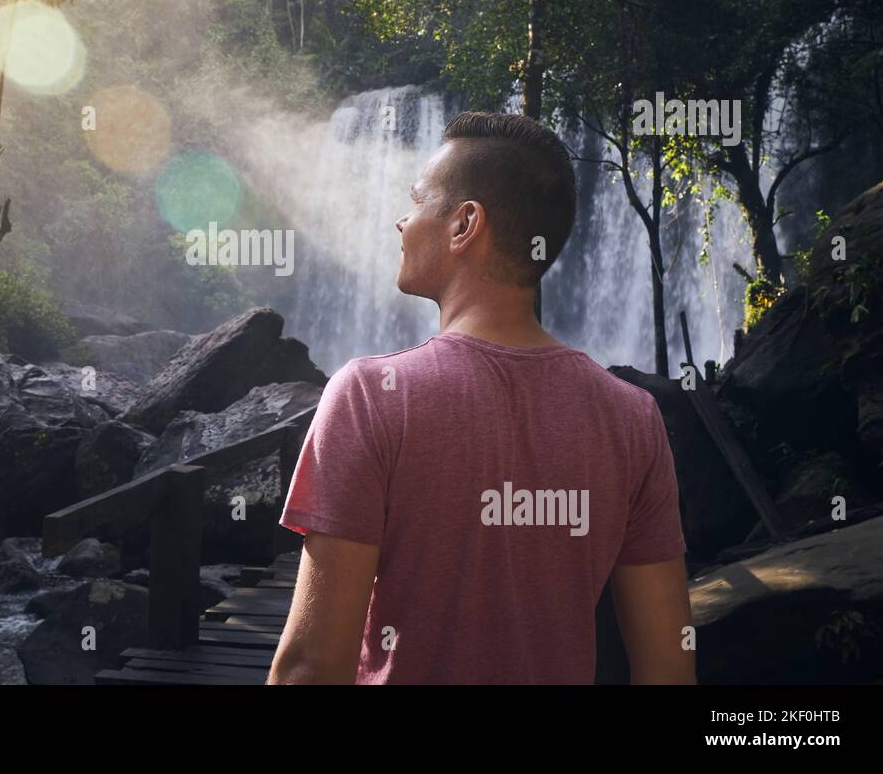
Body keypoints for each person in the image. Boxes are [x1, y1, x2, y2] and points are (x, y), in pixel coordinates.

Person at [267, 111, 695, 684]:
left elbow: (310, 669)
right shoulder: (634, 417)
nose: (402, 221)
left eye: (417, 201)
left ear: (464, 224)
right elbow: (669, 668)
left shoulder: (371, 397)